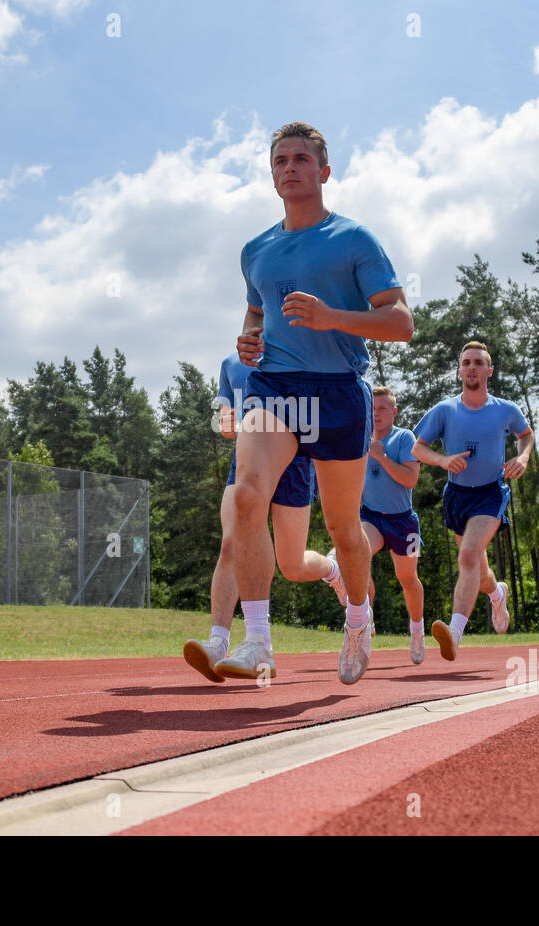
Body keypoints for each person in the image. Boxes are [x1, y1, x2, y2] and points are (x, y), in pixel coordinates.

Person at [229, 122, 412, 686]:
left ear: (324, 171)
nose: (290, 167)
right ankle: (257, 642)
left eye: (302, 159)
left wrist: (334, 317)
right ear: (272, 174)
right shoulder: (255, 250)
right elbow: (257, 311)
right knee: (245, 497)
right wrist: (247, 338)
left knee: (342, 530)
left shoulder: (354, 239)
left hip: (337, 391)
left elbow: (402, 323)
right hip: (276, 389)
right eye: (281, 159)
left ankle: (358, 618)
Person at [183, 352, 347, 682]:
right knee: (231, 543)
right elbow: (226, 423)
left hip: (294, 459)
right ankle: (219, 642)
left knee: (293, 565)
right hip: (247, 460)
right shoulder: (231, 364)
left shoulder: (296, 348)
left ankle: (333, 570)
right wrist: (227, 421)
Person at [412, 342, 534, 660]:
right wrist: (442, 460)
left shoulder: (505, 409)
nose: (472, 367)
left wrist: (523, 456)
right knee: (478, 570)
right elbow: (418, 448)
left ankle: (454, 633)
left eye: (478, 362)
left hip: (490, 493)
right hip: (457, 496)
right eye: (466, 362)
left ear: (489, 371)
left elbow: (526, 434)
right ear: (459, 371)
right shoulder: (445, 410)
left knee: (467, 556)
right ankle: (497, 594)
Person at [358, 386, 426, 663]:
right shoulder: (359, 439)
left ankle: (417, 632)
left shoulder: (404, 438)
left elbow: (411, 480)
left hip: (403, 521)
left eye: (382, 408)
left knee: (407, 579)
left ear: (394, 412)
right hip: (370, 516)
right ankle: (365, 619)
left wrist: (381, 457)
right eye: (372, 408)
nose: (376, 413)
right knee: (357, 555)